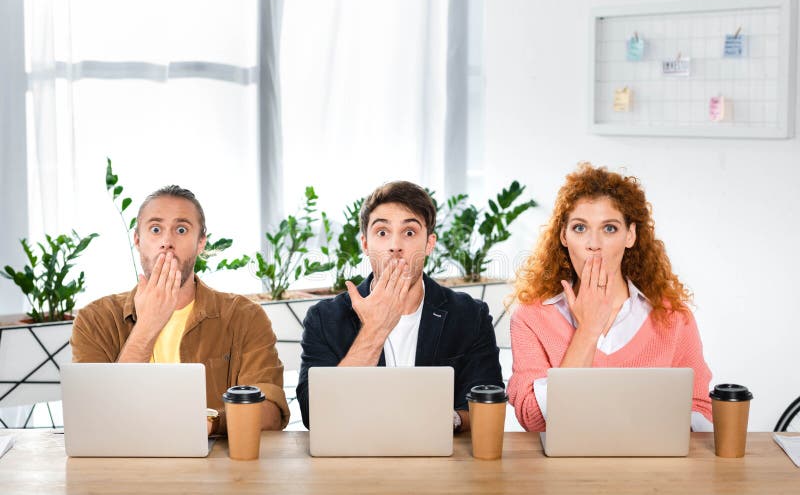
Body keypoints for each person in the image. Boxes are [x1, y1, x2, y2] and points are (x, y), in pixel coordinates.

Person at [507, 163, 713, 432]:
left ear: (630, 235)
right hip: (562, 472)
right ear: (564, 237)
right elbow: (533, 420)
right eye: (580, 228)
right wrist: (589, 329)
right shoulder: (530, 317)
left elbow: (700, 411)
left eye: (610, 229)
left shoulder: (673, 317)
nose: (594, 243)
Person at [71, 185, 289, 434]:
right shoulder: (94, 320)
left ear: (200, 243)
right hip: (124, 466)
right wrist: (147, 326)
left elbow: (270, 413)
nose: (167, 242)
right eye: (155, 229)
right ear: (137, 240)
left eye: (181, 230)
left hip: (214, 469)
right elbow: (94, 418)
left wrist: (208, 422)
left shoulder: (245, 317)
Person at [296, 181, 503, 431]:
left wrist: (449, 420)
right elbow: (314, 414)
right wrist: (374, 330)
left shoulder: (470, 315)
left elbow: (488, 403)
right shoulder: (324, 318)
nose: (396, 245)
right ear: (365, 244)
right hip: (355, 459)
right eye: (382, 232)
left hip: (442, 461)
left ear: (429, 244)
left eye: (409, 232)